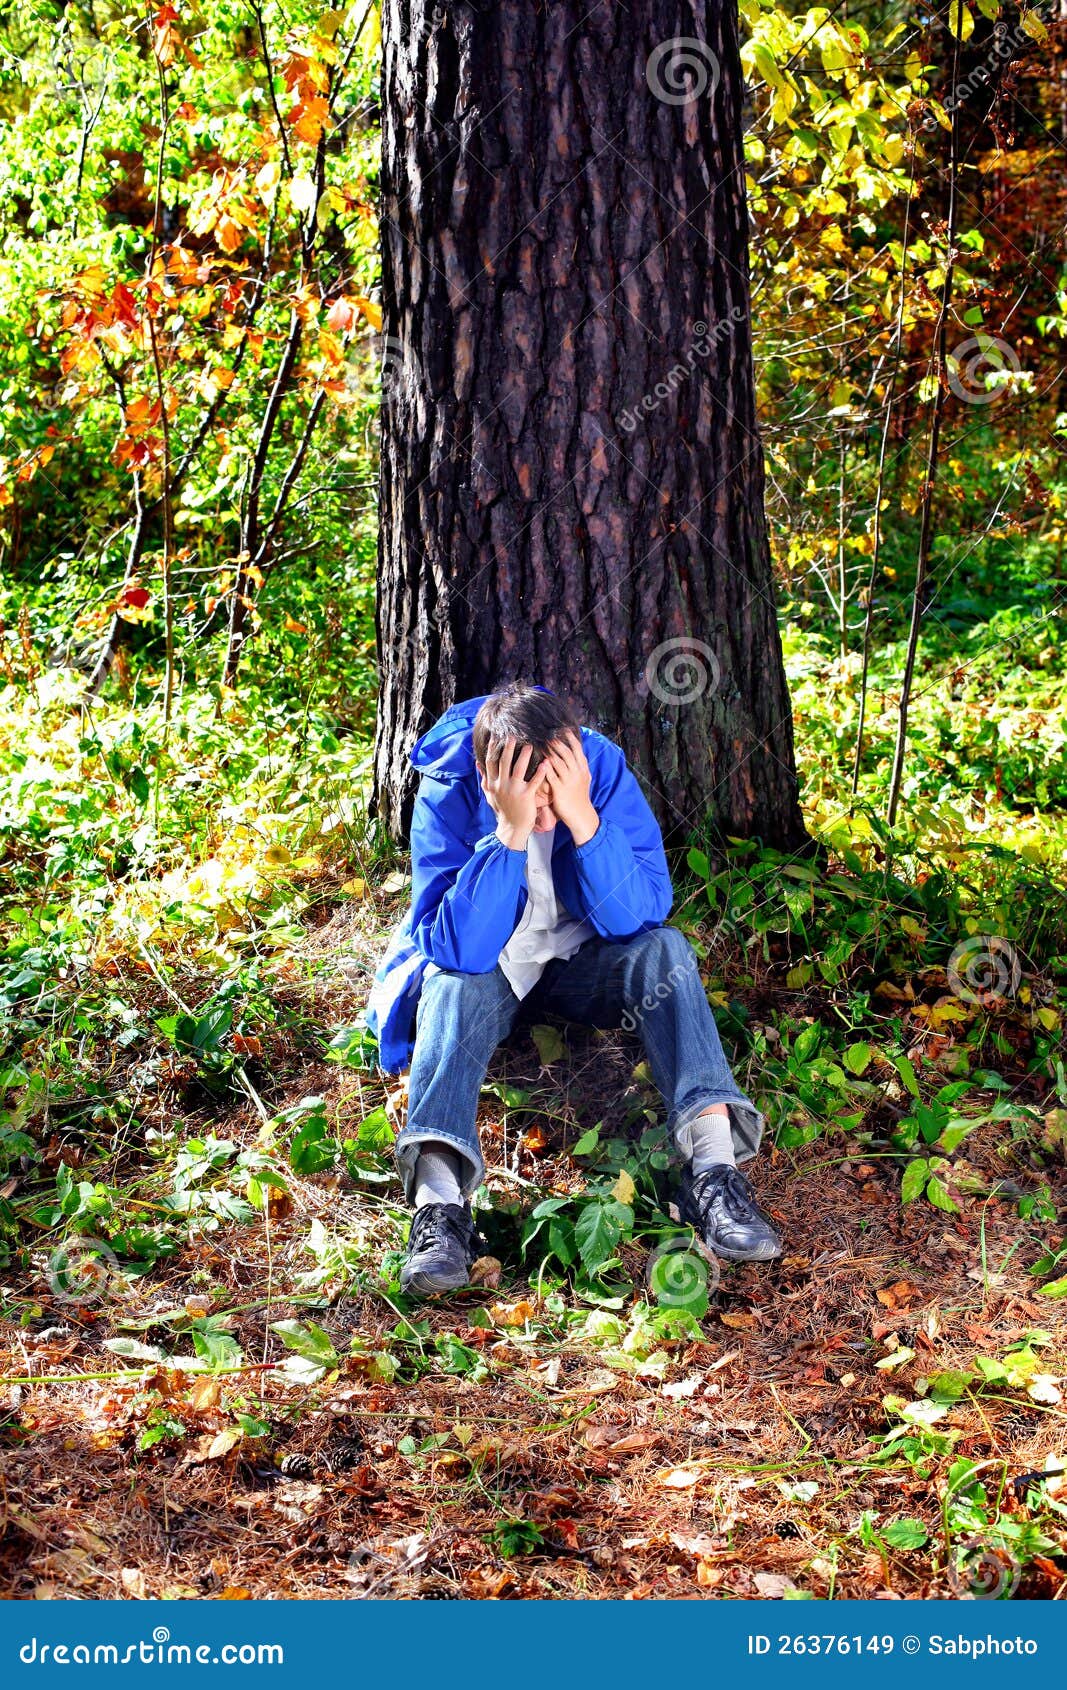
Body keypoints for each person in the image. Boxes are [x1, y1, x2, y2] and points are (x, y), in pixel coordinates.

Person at [364, 682, 782, 1296]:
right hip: (491, 971)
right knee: (448, 985)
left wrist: (583, 817)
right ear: (490, 777)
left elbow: (639, 917)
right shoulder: (450, 788)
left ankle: (713, 1173)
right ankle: (440, 1209)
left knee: (666, 951)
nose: (543, 816)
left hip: (584, 961)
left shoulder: (599, 770)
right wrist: (507, 832)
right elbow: (457, 947)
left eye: (550, 795)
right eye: (529, 799)